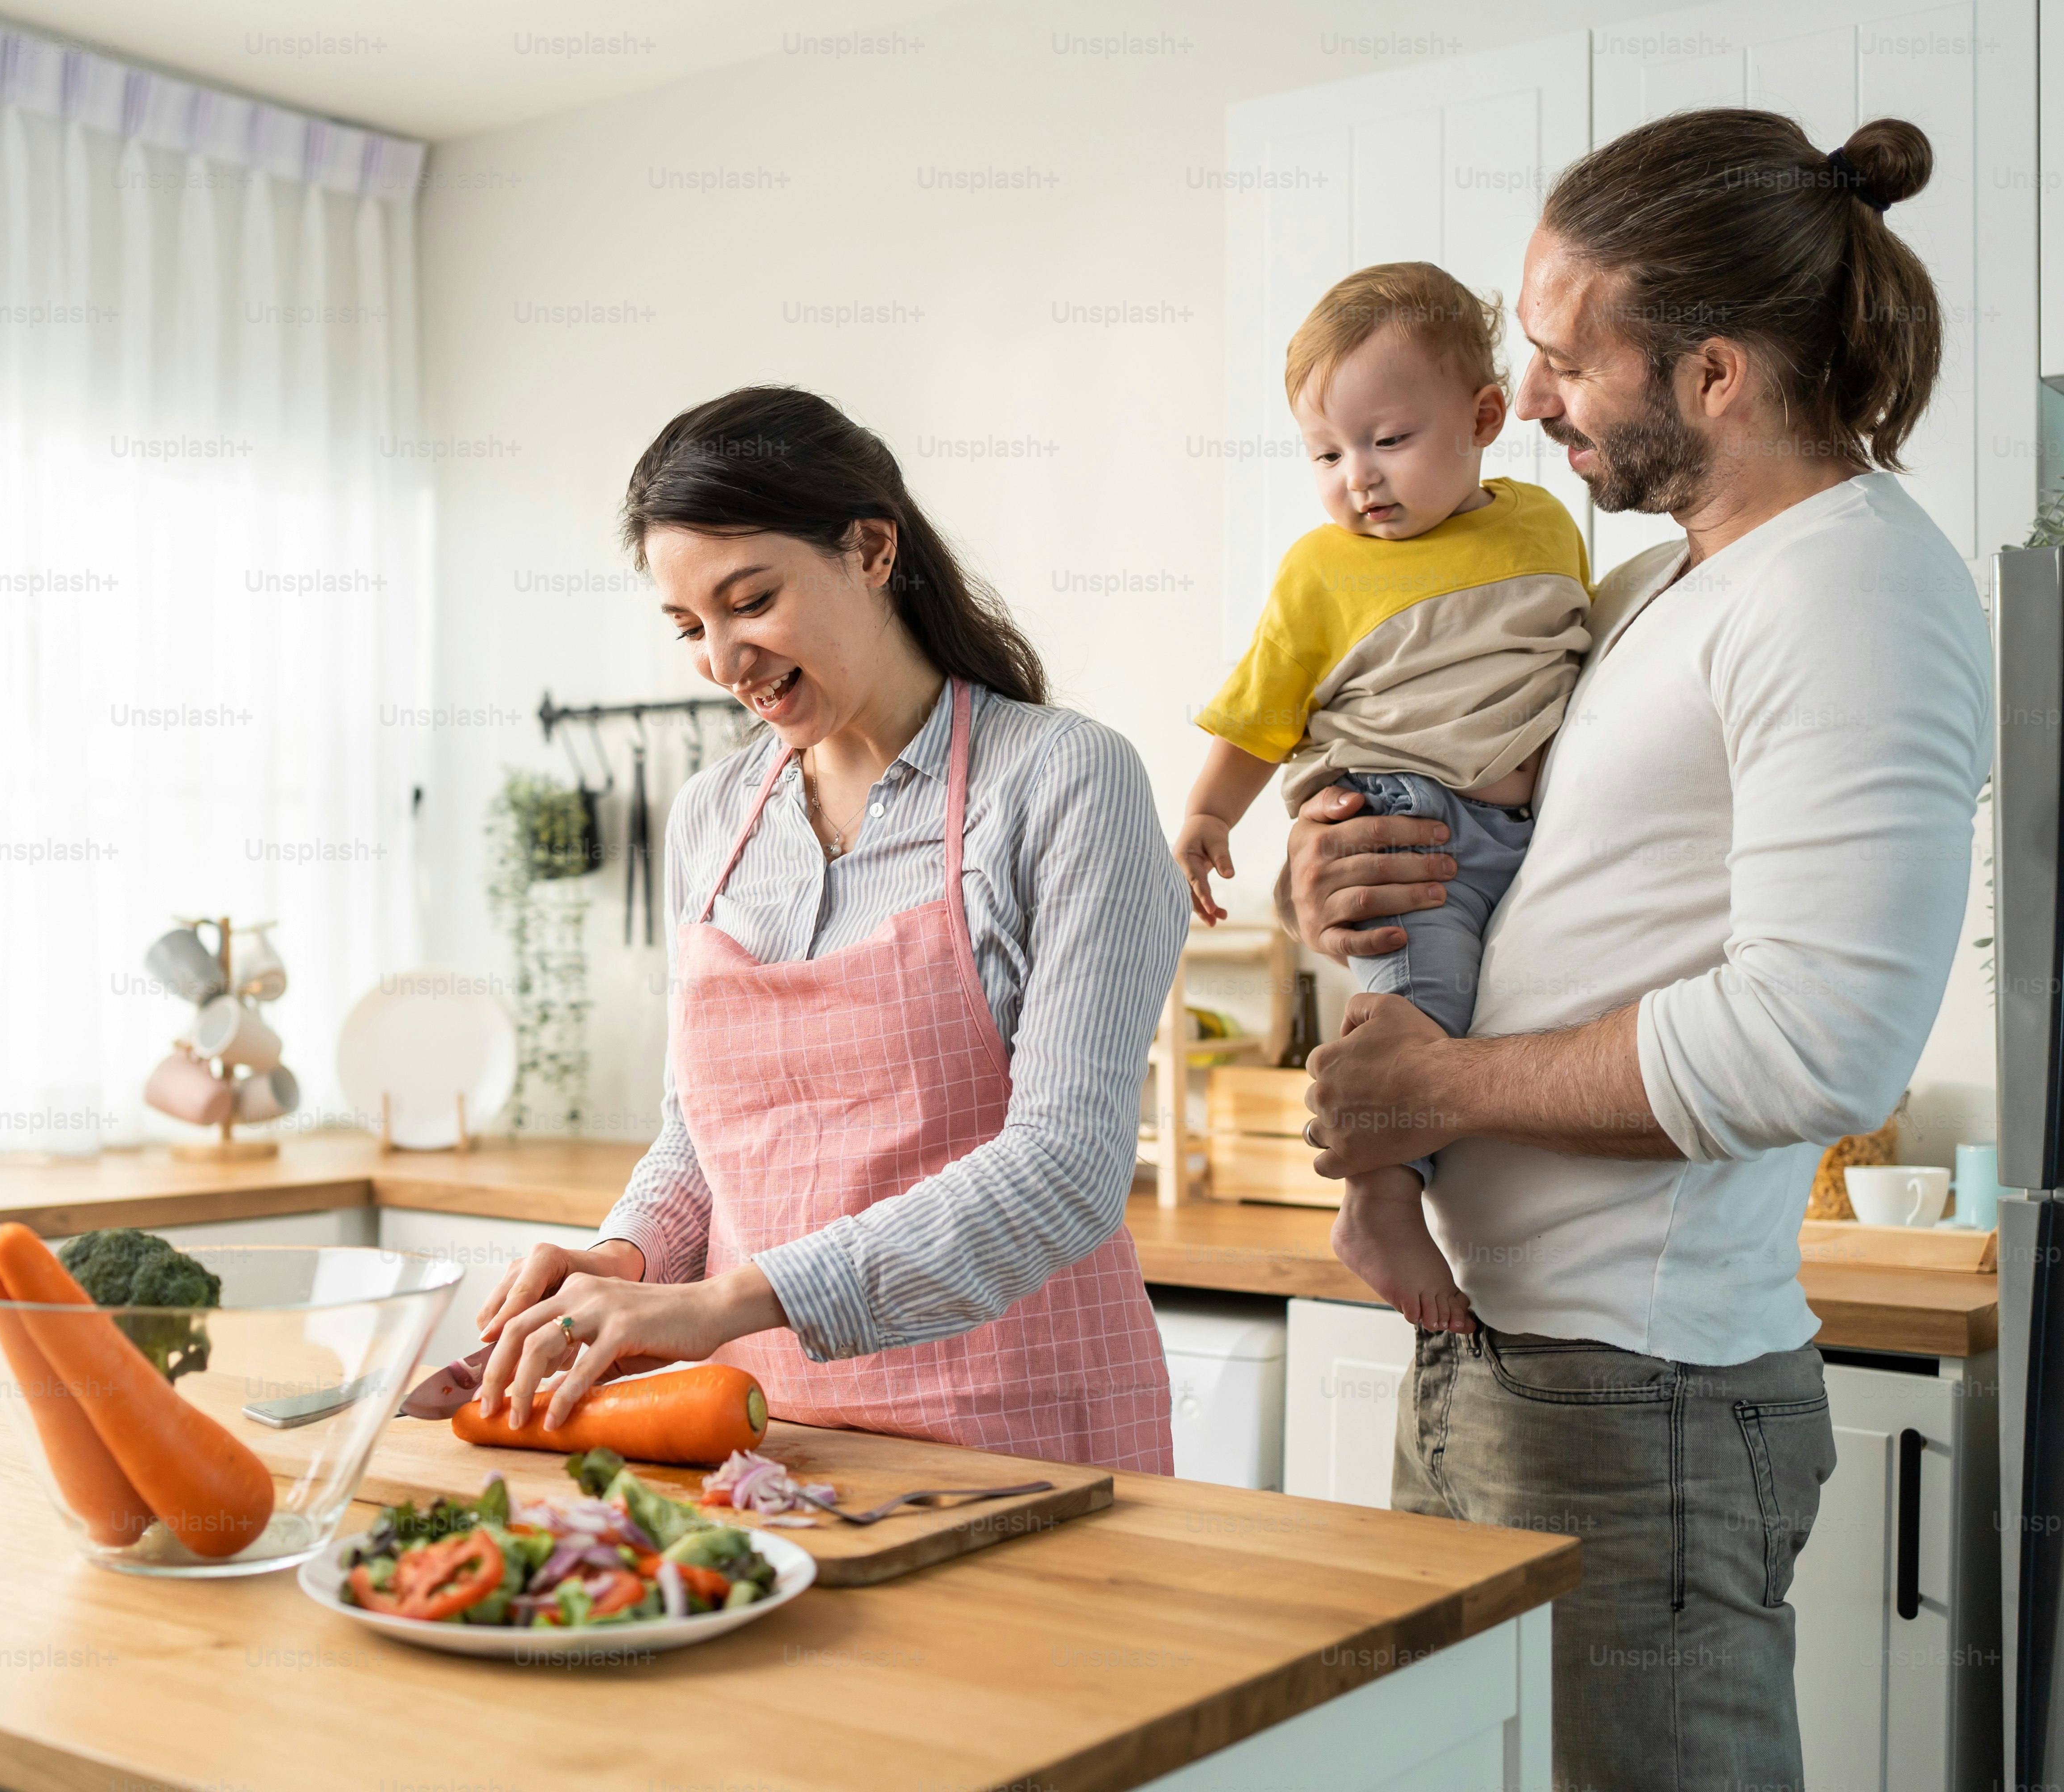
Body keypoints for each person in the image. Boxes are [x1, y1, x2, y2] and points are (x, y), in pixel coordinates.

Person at [1283, 112, 1991, 1790]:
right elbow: (1530, 867)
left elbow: (1818, 1042)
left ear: (1717, 375)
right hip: (1508, 1353)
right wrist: (1343, 871)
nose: (1525, 399)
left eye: (1556, 354)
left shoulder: (1853, 597)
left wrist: (1435, 1086)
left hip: (1645, 1397)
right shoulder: (1669, 588)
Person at [470, 384, 1182, 1473]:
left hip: (1023, 1445)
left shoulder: (1062, 780)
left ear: (870, 547)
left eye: (750, 601)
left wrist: (728, 1303)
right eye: (688, 626)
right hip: (768, 1445)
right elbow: (705, 1139)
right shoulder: (714, 816)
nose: (720, 658)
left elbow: (1069, 1164)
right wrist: (627, 1252)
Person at [1176, 259, 1591, 1333]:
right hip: (1402, 813)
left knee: (1471, 1006)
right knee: (1415, 1004)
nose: (1357, 475)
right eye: (1326, 451)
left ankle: (1404, 1189)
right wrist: (1211, 816)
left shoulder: (1546, 525)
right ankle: (1374, 1199)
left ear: (1486, 416)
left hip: (1520, 833)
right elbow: (1260, 710)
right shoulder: (1321, 568)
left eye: (1388, 440)